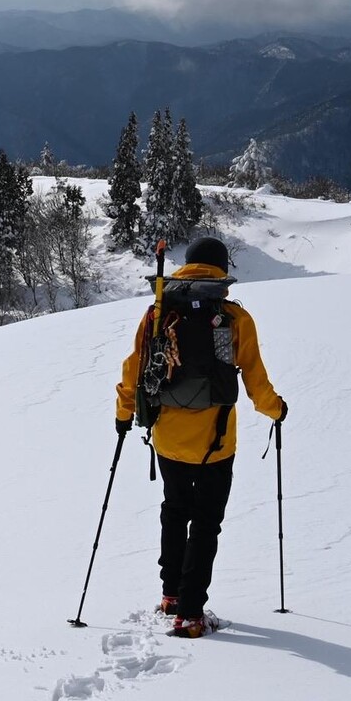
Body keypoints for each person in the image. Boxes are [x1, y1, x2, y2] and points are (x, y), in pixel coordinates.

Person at [115, 236, 287, 638]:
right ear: (221, 271)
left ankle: (172, 595)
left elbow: (133, 370)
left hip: (168, 438)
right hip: (216, 443)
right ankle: (192, 613)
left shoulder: (159, 312)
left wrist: (124, 416)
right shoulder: (234, 319)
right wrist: (276, 409)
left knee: (175, 509)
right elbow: (256, 381)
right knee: (206, 522)